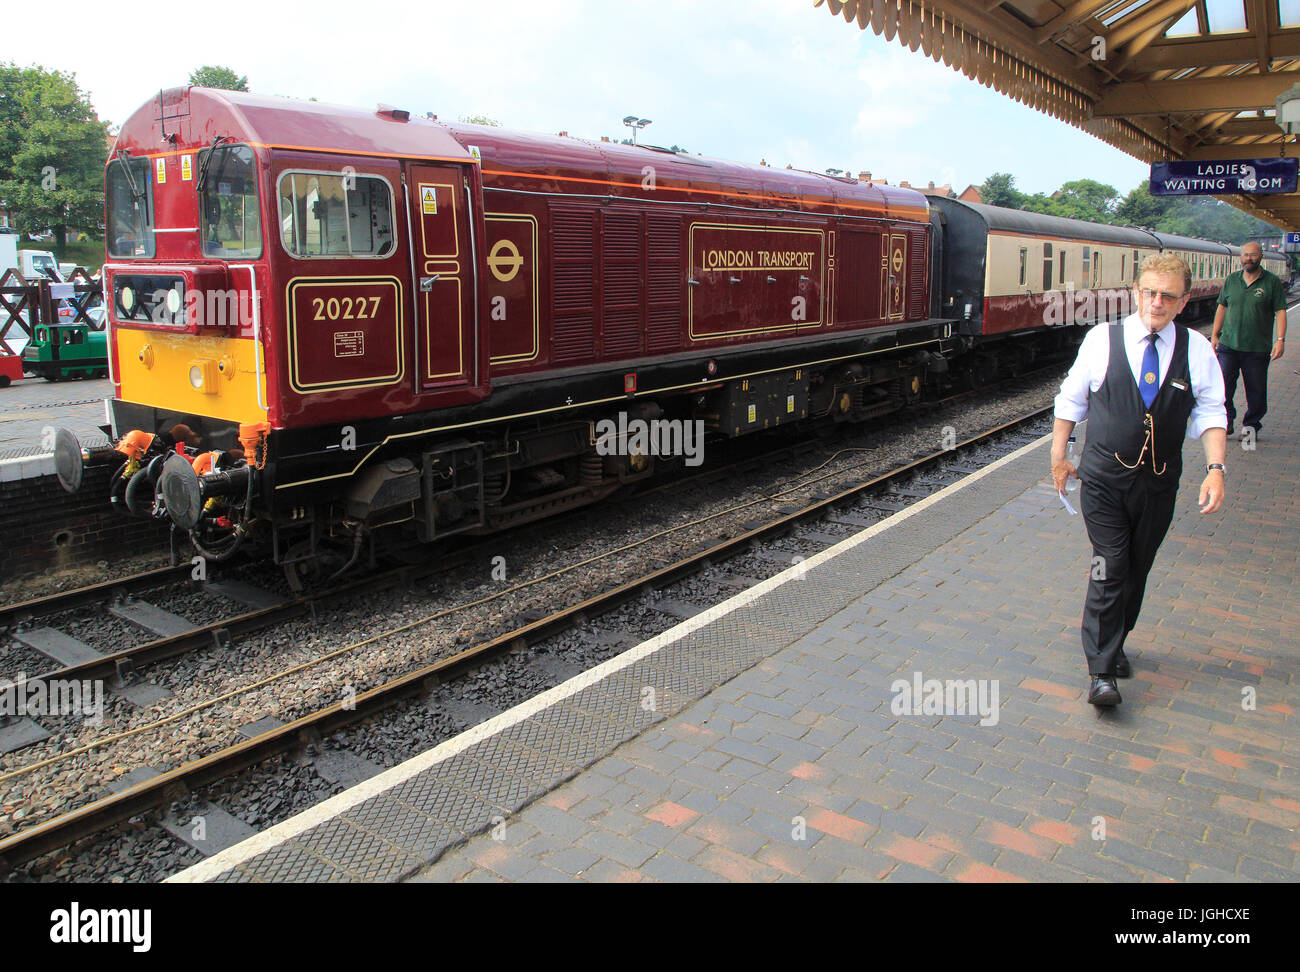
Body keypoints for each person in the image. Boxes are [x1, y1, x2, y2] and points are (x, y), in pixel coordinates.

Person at [1051, 253, 1228, 707]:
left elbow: (1211, 411)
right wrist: (1060, 455)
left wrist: (1215, 469)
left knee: (1138, 566)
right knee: (1110, 564)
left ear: (1185, 300)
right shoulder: (1102, 340)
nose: (1156, 302)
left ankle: (1117, 640)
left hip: (1159, 481)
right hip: (1105, 478)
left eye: (1168, 295)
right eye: (1149, 292)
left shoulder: (1197, 349)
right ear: (1135, 292)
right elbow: (1071, 400)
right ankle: (1101, 671)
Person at [1211, 242, 1287, 439]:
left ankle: (1251, 425)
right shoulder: (1232, 280)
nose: (1248, 259)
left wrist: (1280, 339)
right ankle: (1226, 421)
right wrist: (1215, 334)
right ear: (1240, 257)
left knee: (1256, 390)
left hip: (1257, 348)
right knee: (1223, 386)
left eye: (1252, 255)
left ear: (1260, 256)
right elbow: (1222, 307)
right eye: (1245, 255)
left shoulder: (1271, 282)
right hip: (1229, 345)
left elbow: (1280, 311)